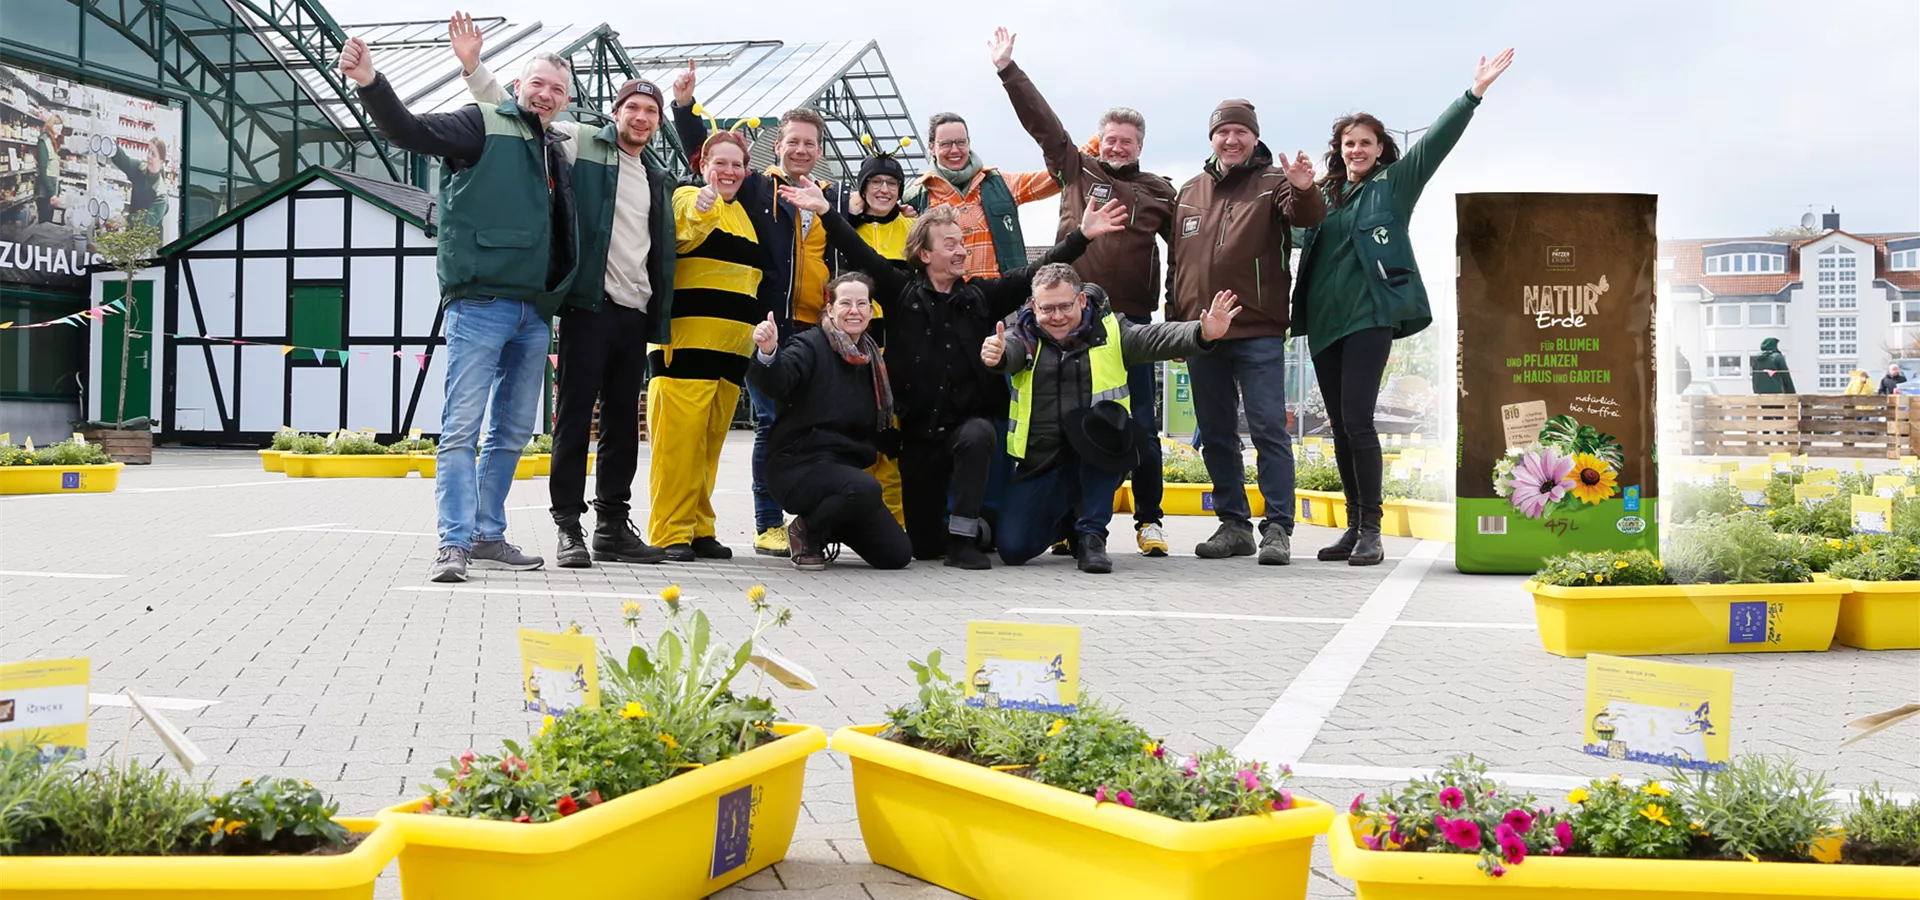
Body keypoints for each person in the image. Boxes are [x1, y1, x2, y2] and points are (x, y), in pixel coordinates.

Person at [791, 181, 1128, 569]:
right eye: (950, 243)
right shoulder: (901, 293)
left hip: (969, 428)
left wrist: (1081, 235)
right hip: (918, 434)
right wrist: (826, 212)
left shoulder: (982, 296)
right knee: (923, 547)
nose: (961, 250)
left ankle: (965, 540)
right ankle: (979, 531)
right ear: (924, 253)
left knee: (977, 433)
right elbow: (859, 252)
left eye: (961, 242)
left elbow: (1032, 273)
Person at [340, 36, 577, 583]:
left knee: (513, 431)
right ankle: (453, 543)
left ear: (564, 101)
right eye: (537, 83)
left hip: (534, 312)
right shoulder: (482, 123)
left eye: (557, 89)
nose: (545, 95)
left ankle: (489, 534)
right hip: (480, 303)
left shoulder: (555, 148)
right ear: (518, 86)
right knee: (462, 429)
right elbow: (408, 131)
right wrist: (371, 82)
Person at [453, 12, 677, 567]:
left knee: (625, 424)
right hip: (587, 306)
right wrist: (474, 70)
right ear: (616, 113)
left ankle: (612, 526)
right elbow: (519, 117)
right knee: (575, 418)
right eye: (633, 108)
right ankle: (568, 527)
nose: (642, 118)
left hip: (634, 312)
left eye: (651, 111)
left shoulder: (655, 174)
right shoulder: (580, 142)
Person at [1293, 49, 1514, 568]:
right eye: (1348, 143)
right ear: (1338, 150)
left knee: (1358, 420)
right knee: (1340, 428)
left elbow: (1436, 143)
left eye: (1365, 143)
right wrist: (1299, 193)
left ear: (1380, 148)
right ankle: (1351, 526)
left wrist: (1473, 94)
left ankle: (1371, 529)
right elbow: (1294, 232)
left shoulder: (1393, 186)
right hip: (1324, 324)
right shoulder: (1323, 196)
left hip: (1370, 317)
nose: (1356, 150)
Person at [990, 27, 1181, 559]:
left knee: (1138, 423)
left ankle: (1149, 521)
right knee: (1057, 424)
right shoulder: (1077, 169)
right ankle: (1064, 520)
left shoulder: (1160, 191)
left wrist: (1183, 310)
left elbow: (1193, 250)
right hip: (1061, 323)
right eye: (1111, 139)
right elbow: (1044, 127)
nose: (1119, 147)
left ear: (1141, 146)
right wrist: (1009, 70)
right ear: (1101, 142)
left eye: (1128, 141)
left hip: (1128, 326)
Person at [671, 66, 842, 559]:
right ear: (778, 145)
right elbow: (711, 158)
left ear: (819, 150)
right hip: (765, 327)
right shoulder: (755, 188)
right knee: (769, 424)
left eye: (810, 143)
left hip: (813, 330)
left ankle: (806, 522)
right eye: (792, 141)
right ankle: (768, 524)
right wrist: (684, 109)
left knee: (804, 428)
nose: (801, 150)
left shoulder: (828, 200)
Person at [982, 265, 1237, 573]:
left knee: (1105, 429)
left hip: (1099, 454)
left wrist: (1201, 332)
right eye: (1047, 308)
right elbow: (1007, 350)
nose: (1058, 316)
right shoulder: (1023, 335)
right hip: (1042, 459)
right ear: (1034, 306)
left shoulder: (1112, 331)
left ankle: (1092, 536)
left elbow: (1155, 337)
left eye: (1065, 306)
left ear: (1082, 302)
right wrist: (996, 354)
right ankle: (1070, 522)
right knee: (1013, 548)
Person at [1166, 98, 1325, 566]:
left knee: (1268, 429)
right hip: (1201, 332)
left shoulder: (1274, 183)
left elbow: (1307, 216)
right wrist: (1176, 324)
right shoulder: (1189, 191)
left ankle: (1278, 527)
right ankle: (1233, 524)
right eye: (1223, 132)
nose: (1231, 140)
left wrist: (1304, 188)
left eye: (1241, 132)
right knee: (1215, 433)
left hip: (1257, 328)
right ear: (1211, 138)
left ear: (1254, 137)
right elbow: (1177, 262)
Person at [647, 131, 770, 560]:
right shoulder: (688, 195)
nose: (729, 172)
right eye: (720, 163)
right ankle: (670, 531)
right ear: (703, 166)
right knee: (679, 445)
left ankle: (699, 526)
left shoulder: (744, 216)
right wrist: (701, 208)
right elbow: (682, 230)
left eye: (736, 164)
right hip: (685, 348)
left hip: (730, 354)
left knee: (709, 443)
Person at [748, 273, 912, 571]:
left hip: (844, 476)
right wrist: (769, 352)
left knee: (896, 555)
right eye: (846, 303)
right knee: (866, 488)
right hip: (797, 465)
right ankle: (806, 530)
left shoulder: (870, 358)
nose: (854, 310)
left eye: (862, 303)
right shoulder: (810, 345)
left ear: (872, 311)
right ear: (830, 308)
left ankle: (829, 523)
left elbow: (882, 425)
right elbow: (778, 382)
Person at [902, 109, 1060, 279]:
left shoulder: (1000, 183)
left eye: (961, 142)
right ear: (932, 148)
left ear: (969, 143)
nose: (954, 150)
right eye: (946, 144)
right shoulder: (915, 197)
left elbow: (1056, 178)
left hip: (1002, 297)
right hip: (945, 300)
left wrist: (1092, 146)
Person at [109, 137, 169, 235]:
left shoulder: (161, 194)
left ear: (161, 161)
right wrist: (111, 146)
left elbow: (148, 221)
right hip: (132, 236)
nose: (149, 156)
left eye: (153, 154)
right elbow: (124, 160)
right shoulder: (140, 169)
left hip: (149, 243)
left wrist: (126, 220)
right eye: (148, 151)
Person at [32, 113, 62, 227]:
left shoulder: (51, 142)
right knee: (44, 224)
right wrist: (51, 194)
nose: (59, 133)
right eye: (58, 129)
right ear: (51, 126)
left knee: (48, 224)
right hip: (44, 193)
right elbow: (42, 170)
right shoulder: (43, 141)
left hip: (50, 191)